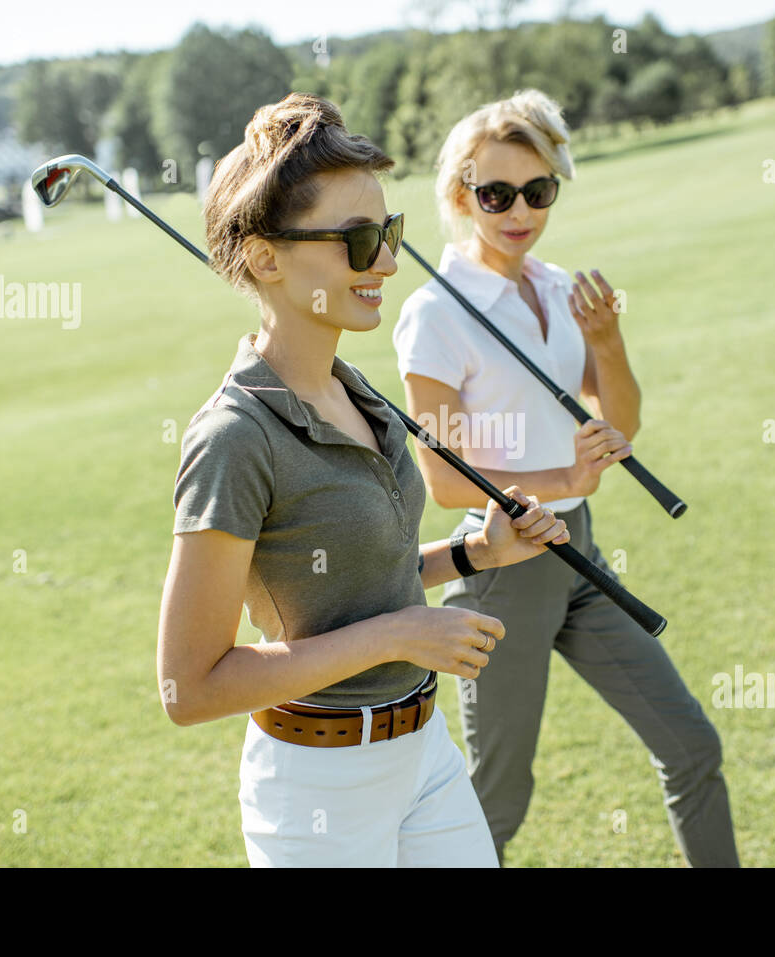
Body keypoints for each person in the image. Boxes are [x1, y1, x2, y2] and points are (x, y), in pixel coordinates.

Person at [156, 92, 571, 868]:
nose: (384, 261)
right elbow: (191, 685)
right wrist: (398, 634)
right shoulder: (232, 439)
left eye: (388, 233)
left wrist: (475, 553)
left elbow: (354, 585)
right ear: (266, 257)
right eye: (356, 240)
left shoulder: (360, 393)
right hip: (319, 792)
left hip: (426, 754)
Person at [393, 89, 740, 867]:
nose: (520, 210)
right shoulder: (433, 313)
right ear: (461, 196)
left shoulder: (556, 288)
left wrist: (607, 341)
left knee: (691, 744)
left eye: (539, 190)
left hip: (580, 559)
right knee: (495, 804)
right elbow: (443, 480)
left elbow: (622, 423)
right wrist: (562, 471)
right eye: (496, 194)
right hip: (500, 575)